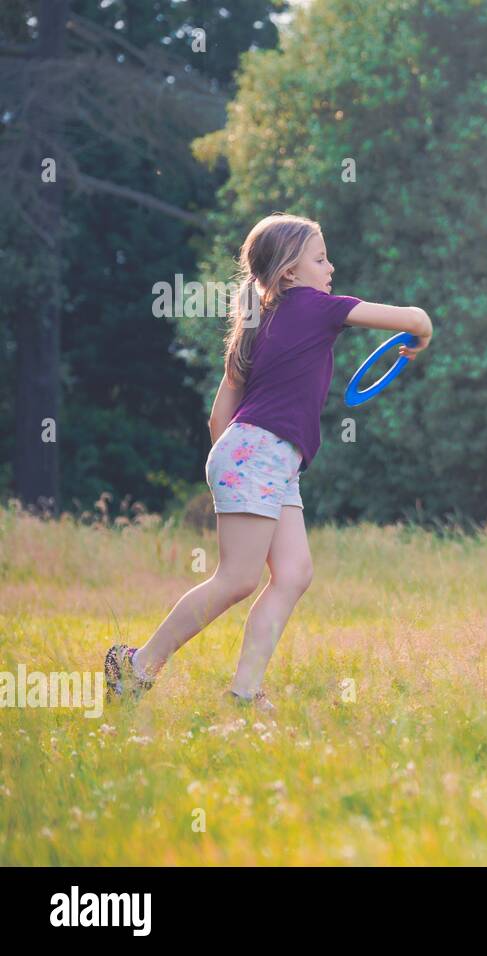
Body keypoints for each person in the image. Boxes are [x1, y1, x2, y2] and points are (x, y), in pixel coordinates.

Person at [104, 213, 433, 712]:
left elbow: (220, 419)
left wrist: (233, 467)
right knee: (238, 578)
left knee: (295, 572)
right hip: (260, 454)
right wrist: (422, 336)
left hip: (261, 455)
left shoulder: (255, 325)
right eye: (320, 258)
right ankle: (137, 666)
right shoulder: (320, 307)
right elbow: (414, 318)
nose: (331, 266)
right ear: (288, 275)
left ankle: (244, 692)